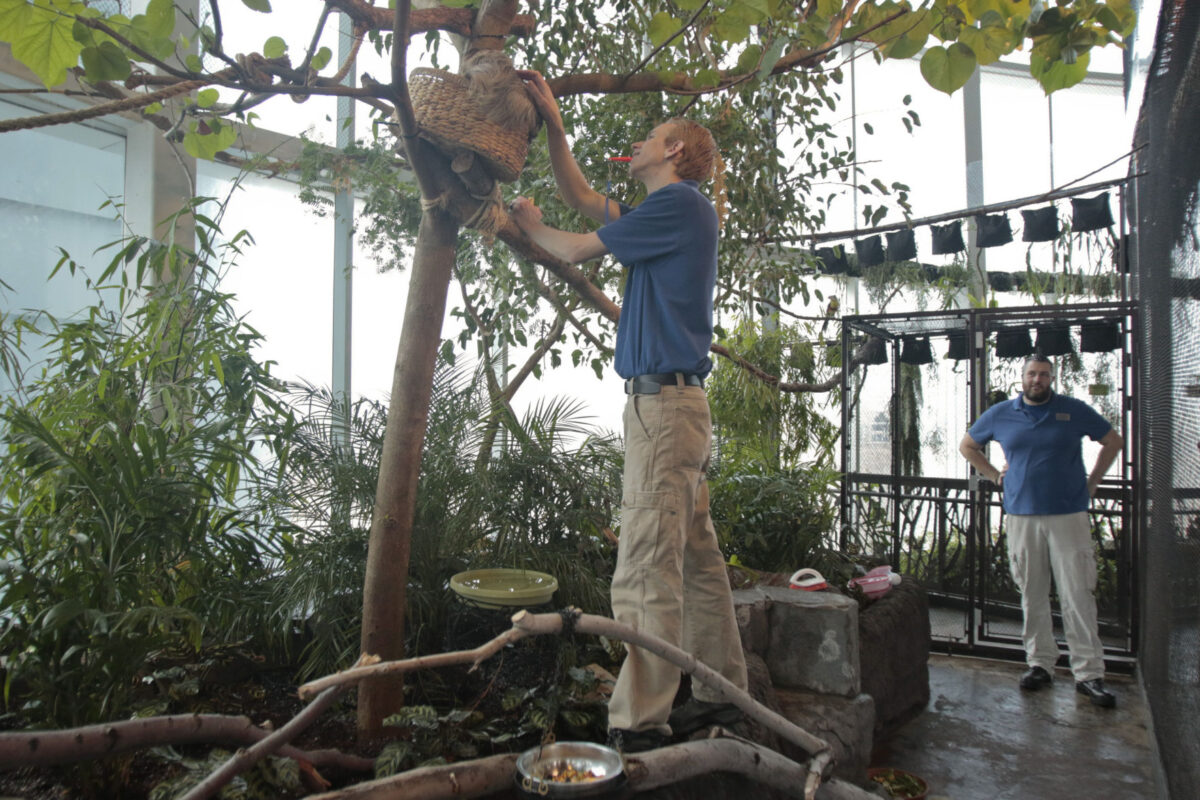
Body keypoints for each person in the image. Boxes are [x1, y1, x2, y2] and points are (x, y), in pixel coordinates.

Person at [508, 70, 749, 751]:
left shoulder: (681, 206)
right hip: (675, 406)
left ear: (675, 152)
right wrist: (556, 126)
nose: (638, 142)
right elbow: (582, 198)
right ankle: (722, 696)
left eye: (651, 137)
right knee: (697, 563)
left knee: (645, 561)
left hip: (664, 408)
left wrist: (526, 225)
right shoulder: (665, 216)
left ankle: (639, 723)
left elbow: (575, 242)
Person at [959, 354, 1124, 707]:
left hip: (1069, 515)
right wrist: (993, 475)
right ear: (1023, 378)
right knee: (1031, 592)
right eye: (1032, 374)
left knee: (1078, 593)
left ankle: (1089, 674)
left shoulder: (1073, 410)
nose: (1037, 380)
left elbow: (1113, 441)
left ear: (1052, 378)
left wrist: (1093, 481)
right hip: (1022, 516)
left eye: (1044, 375)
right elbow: (967, 446)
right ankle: (1040, 665)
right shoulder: (1002, 413)